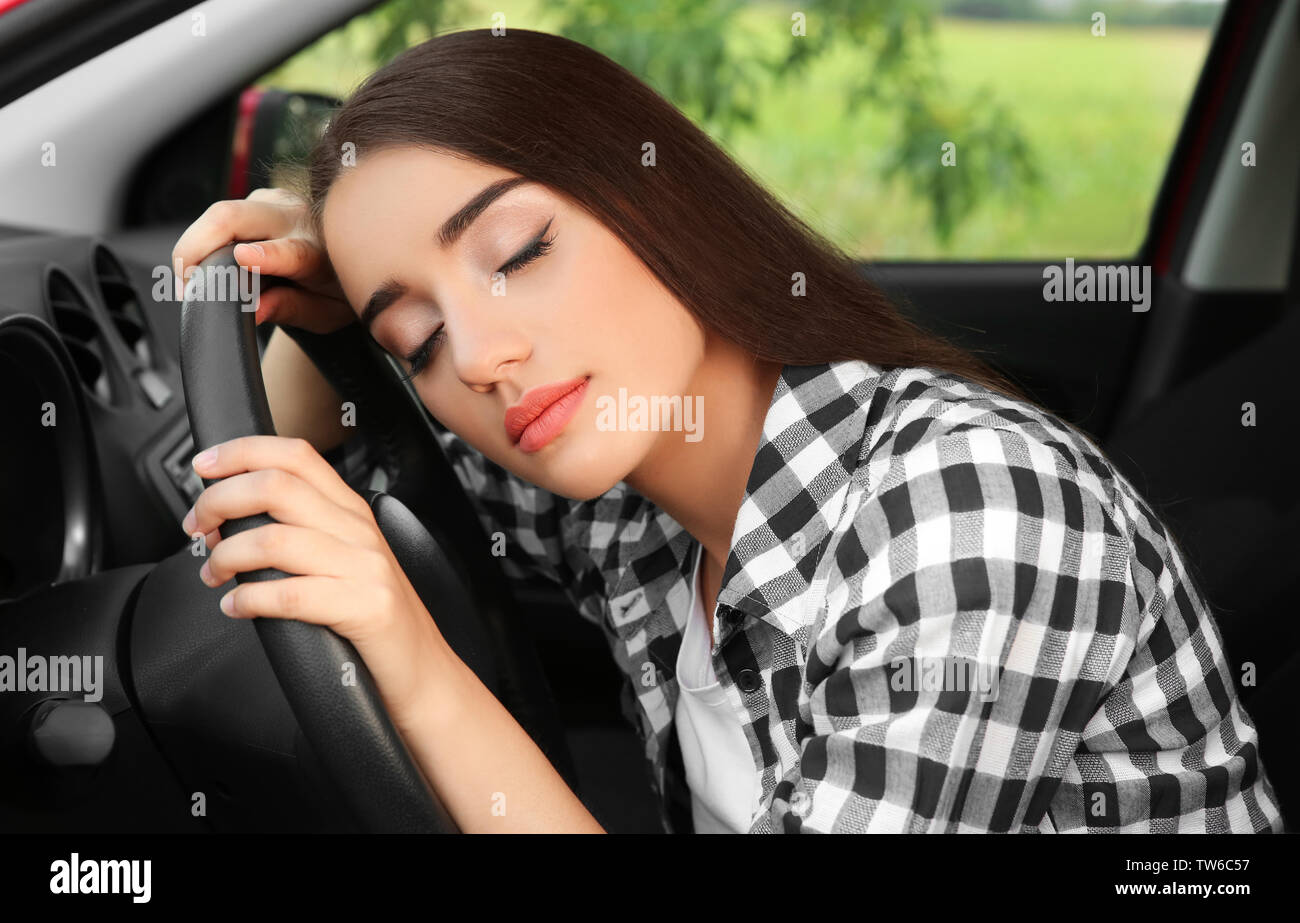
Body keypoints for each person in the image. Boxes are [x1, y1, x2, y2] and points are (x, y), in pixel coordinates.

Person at [171, 28, 1283, 834]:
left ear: (659, 196)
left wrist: (414, 666)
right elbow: (323, 452)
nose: (475, 356)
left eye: (516, 254)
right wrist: (320, 281)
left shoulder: (973, 518)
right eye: (415, 338)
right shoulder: (627, 503)